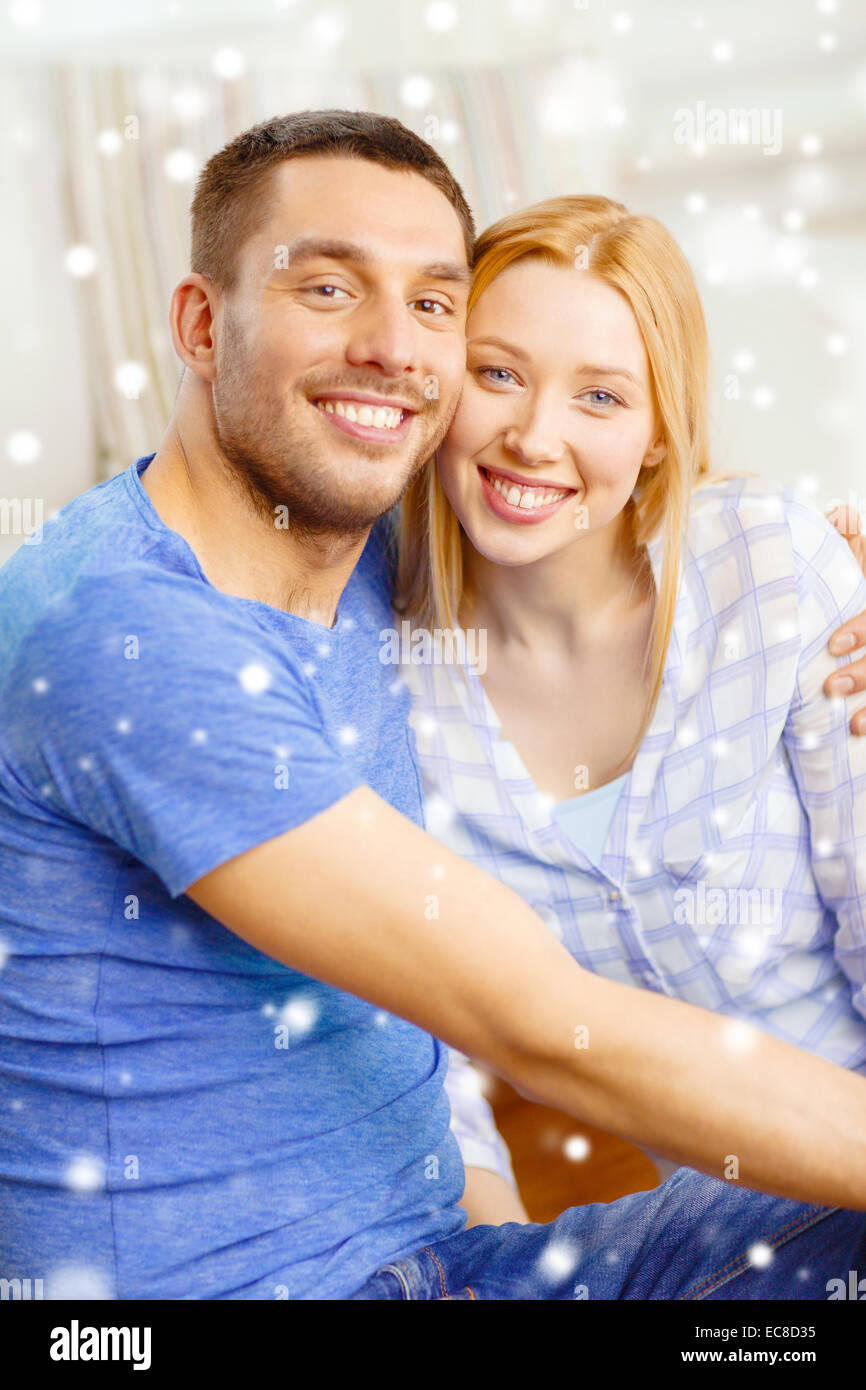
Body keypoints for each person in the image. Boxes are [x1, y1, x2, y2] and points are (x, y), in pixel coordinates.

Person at [1, 111, 866, 1303]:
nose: (390, 349)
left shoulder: (373, 551)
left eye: (431, 305)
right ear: (203, 325)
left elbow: (585, 491)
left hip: (449, 1267)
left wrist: (837, 559)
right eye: (326, 288)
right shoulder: (124, 632)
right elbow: (531, 1018)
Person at [392, 194, 866, 1227]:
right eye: (497, 373)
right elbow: (405, 1041)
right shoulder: (376, 666)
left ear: (659, 433)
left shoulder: (766, 564)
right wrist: (487, 1262)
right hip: (697, 1234)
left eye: (599, 397)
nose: (531, 437)